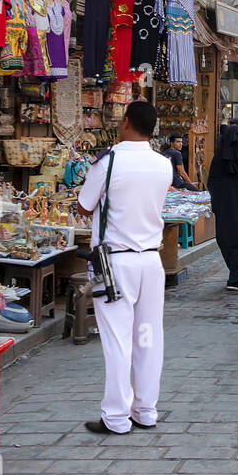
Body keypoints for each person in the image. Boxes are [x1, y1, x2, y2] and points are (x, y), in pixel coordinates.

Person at [77, 101, 173, 435]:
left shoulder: (110, 161)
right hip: (150, 260)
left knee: (117, 339)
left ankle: (116, 417)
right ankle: (145, 410)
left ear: (127, 122)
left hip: (115, 261)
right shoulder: (163, 164)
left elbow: (84, 204)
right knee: (148, 338)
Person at [208, 124, 238, 292]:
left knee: (226, 238)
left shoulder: (218, 158)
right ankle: (237, 276)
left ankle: (236, 274)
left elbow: (211, 182)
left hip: (223, 206)